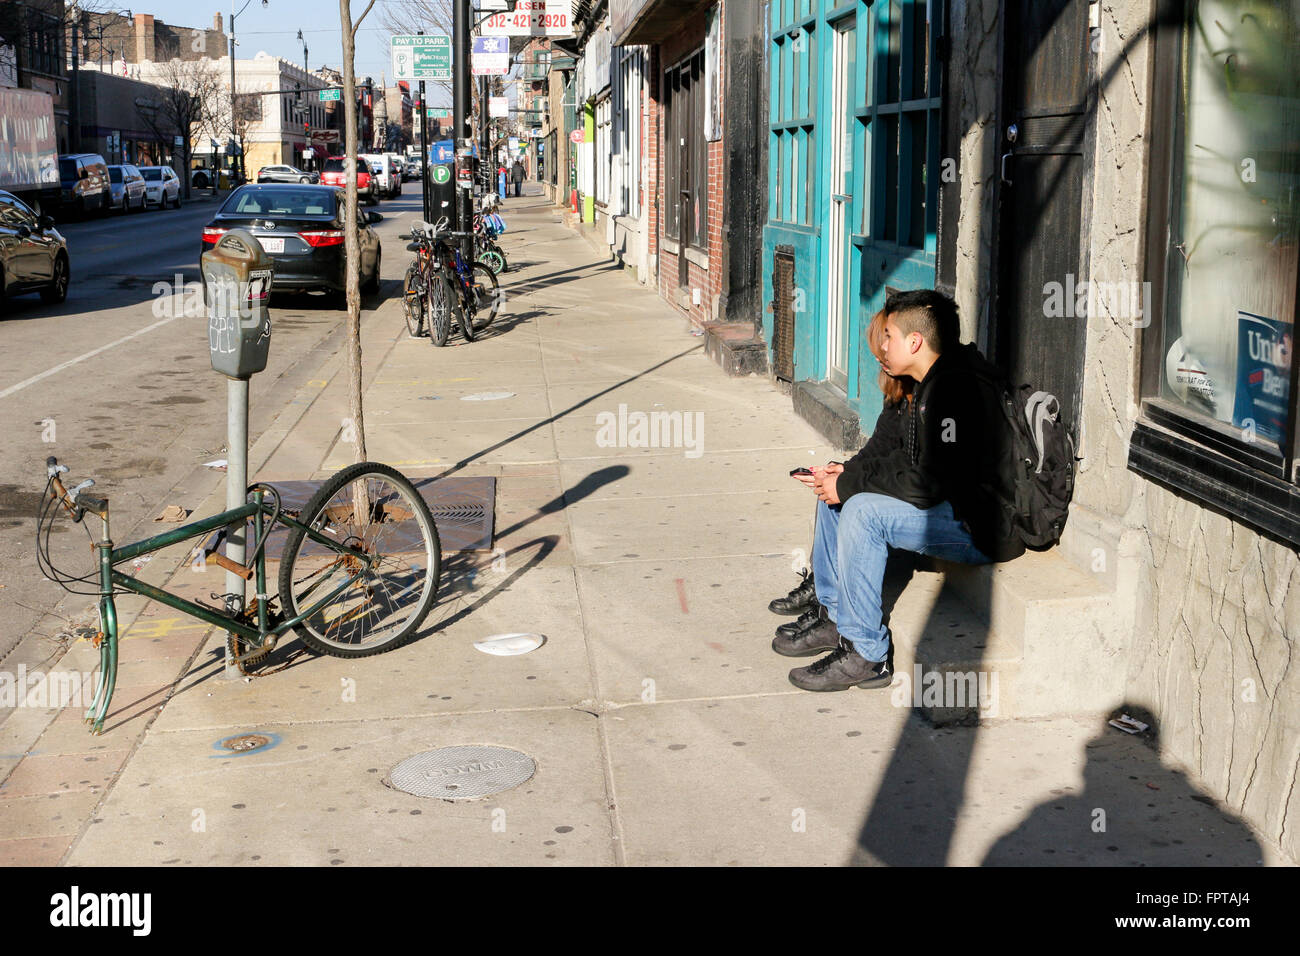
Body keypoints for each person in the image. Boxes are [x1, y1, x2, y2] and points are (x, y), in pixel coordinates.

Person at [782, 289, 1015, 692]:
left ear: (915, 342)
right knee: (836, 494)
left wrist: (851, 484)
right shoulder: (927, 385)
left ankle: (867, 655)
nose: (881, 346)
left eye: (888, 336)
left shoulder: (956, 392)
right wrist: (844, 474)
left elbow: (927, 483)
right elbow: (901, 462)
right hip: (945, 509)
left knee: (860, 510)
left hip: (976, 526)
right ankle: (836, 618)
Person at [769, 308, 913, 651]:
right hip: (911, 492)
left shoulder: (939, 398)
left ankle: (855, 638)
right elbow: (879, 449)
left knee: (853, 500)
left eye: (885, 347)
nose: (880, 358)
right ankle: (827, 600)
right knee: (835, 484)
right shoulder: (901, 393)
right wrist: (845, 471)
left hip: (941, 514)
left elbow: (914, 472)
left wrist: (851, 482)